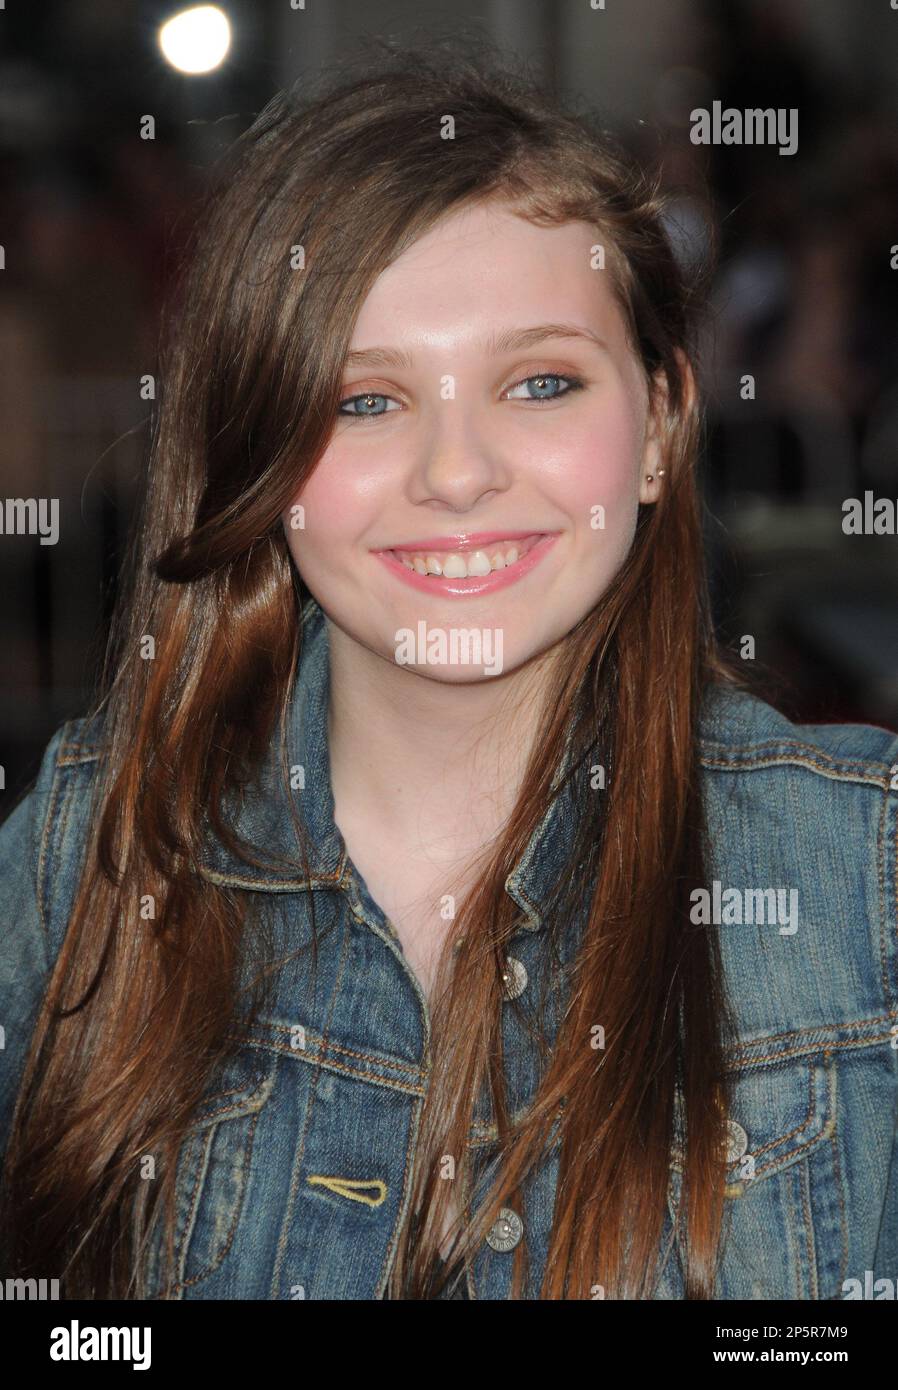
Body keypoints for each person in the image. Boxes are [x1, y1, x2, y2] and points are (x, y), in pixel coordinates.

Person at [1, 45, 896, 1302]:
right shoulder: (84, 848)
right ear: (258, 451)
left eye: (539, 382)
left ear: (657, 426)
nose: (457, 471)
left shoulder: (861, 873)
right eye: (365, 401)